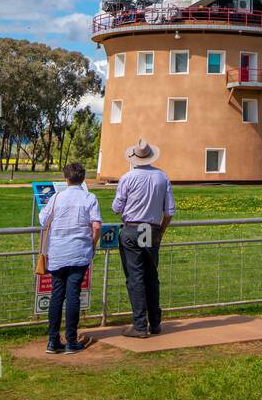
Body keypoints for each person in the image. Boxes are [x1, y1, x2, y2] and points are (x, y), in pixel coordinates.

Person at [112, 139, 175, 338]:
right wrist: (161, 231)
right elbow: (169, 210)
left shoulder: (127, 178)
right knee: (151, 275)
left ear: (134, 157)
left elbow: (116, 208)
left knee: (135, 277)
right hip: (150, 229)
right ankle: (155, 322)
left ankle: (140, 325)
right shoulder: (162, 177)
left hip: (132, 229)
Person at [39, 161, 101, 353]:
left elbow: (43, 220)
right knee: (73, 293)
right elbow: (96, 226)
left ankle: (52, 340)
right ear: (83, 179)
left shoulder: (56, 198)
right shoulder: (89, 198)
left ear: (65, 179)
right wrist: (91, 244)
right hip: (79, 252)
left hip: (57, 252)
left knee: (57, 295)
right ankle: (72, 340)